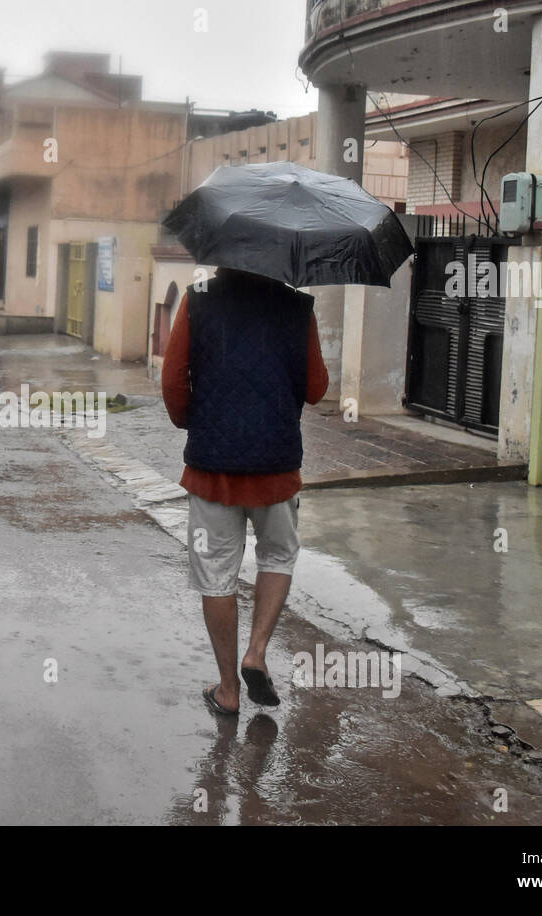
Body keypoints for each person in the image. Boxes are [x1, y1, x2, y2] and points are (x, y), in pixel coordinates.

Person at [161, 268, 328, 716]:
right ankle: (256, 652)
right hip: (276, 466)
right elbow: (316, 389)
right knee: (277, 556)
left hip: (212, 467)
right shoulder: (297, 306)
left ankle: (228, 690)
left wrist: (194, 424)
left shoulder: (197, 299)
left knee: (217, 573)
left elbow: (174, 381)